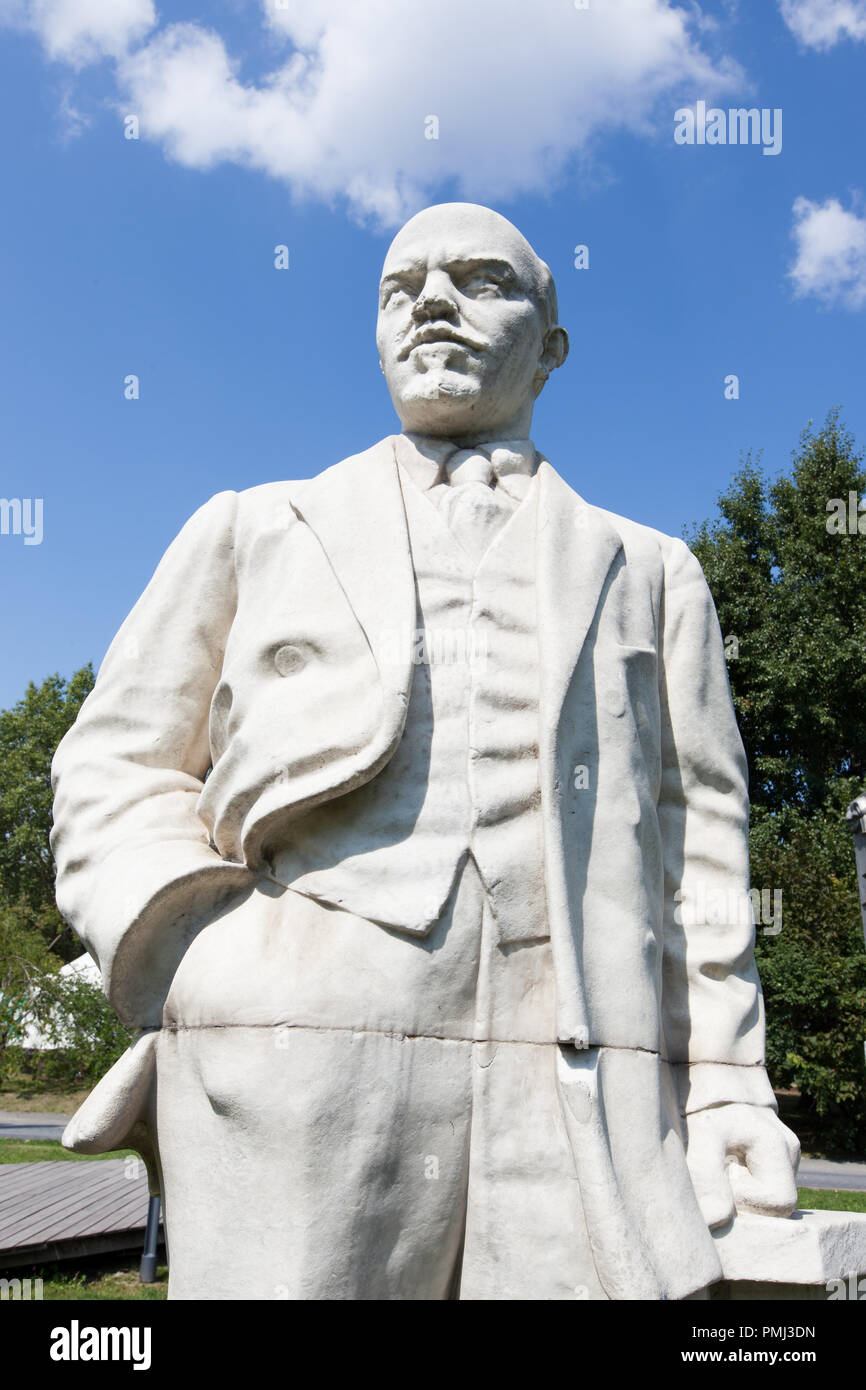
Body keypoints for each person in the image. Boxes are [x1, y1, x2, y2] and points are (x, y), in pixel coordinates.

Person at [52, 202, 799, 1300]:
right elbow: (114, 764)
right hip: (300, 1044)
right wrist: (200, 952)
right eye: (401, 288)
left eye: (478, 279)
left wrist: (729, 1074)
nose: (432, 305)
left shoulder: (650, 570)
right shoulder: (254, 527)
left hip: (580, 1058)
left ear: (550, 347)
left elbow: (700, 842)